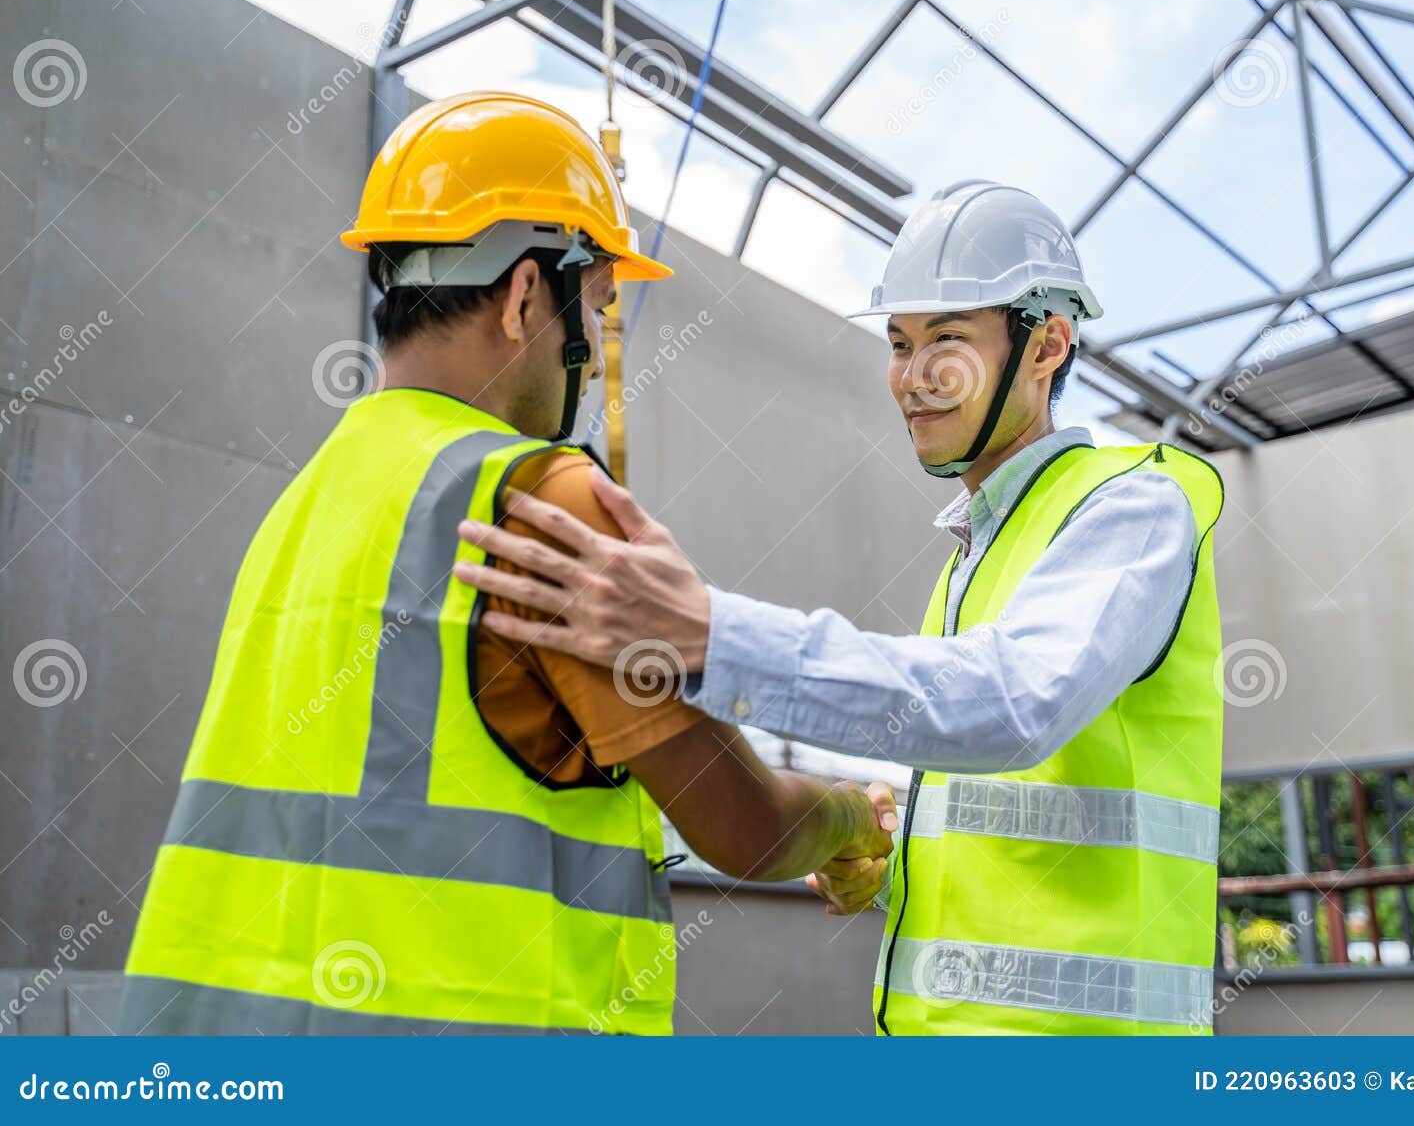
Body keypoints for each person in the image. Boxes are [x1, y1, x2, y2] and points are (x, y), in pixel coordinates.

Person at [115, 91, 893, 1036]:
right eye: (598, 311)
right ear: (528, 294)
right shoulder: (539, 500)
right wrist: (855, 819)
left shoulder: (304, 504)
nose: (601, 362)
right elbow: (746, 822)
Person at [453, 180, 1226, 1035]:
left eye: (948, 340)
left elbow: (1011, 704)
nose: (911, 378)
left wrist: (709, 634)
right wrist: (893, 861)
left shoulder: (1134, 507)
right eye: (899, 341)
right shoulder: (980, 553)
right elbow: (1016, 813)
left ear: (1047, 346)